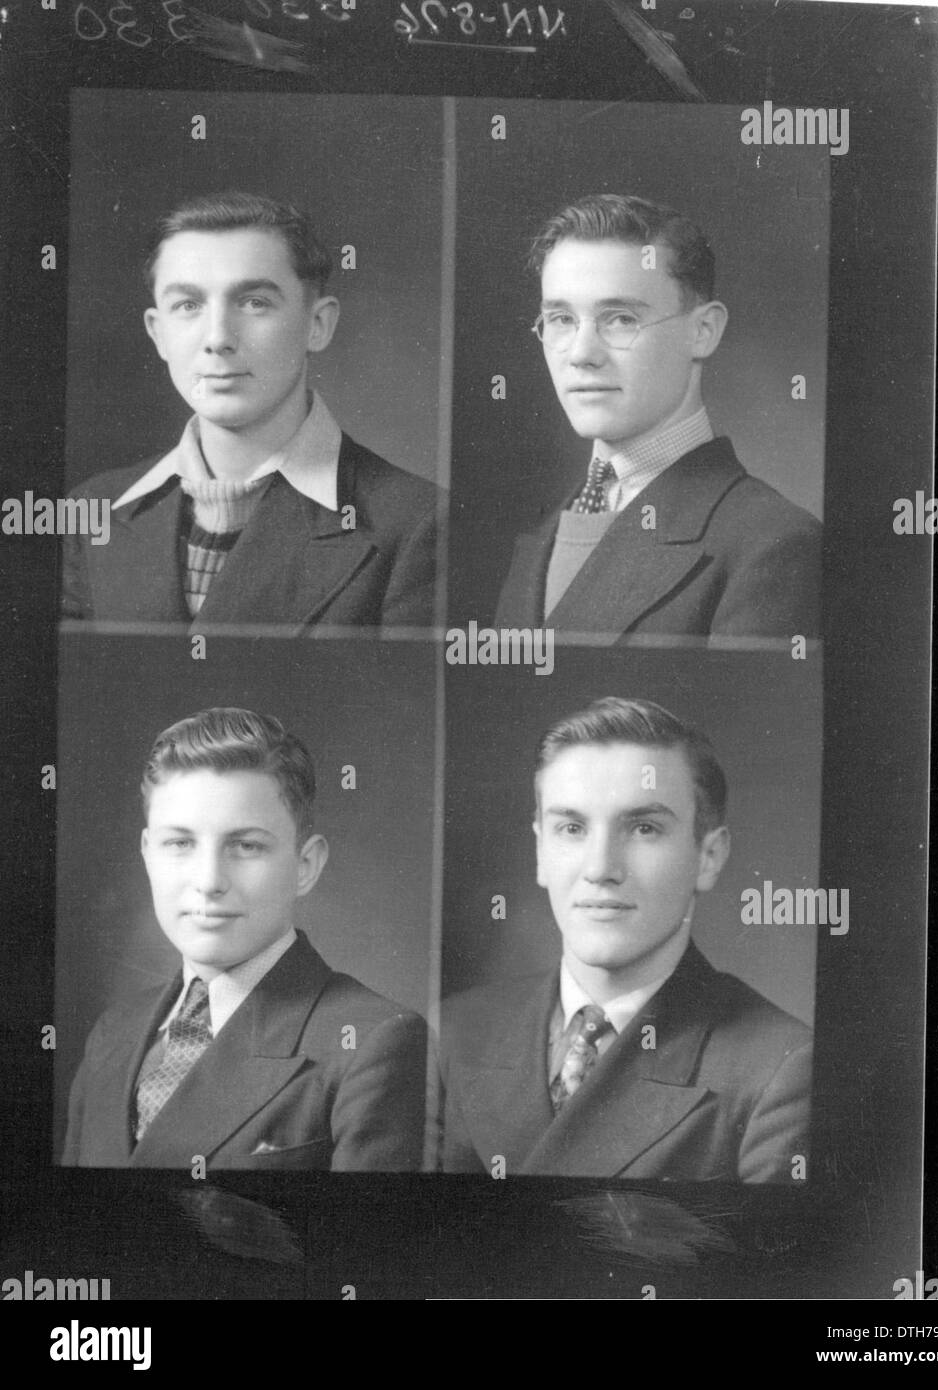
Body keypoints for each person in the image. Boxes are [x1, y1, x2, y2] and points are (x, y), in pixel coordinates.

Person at [439, 697, 811, 1181]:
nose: (600, 869)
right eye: (571, 827)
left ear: (709, 856)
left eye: (643, 828)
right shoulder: (453, 1030)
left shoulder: (779, 1069)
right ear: (540, 852)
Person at [62, 707, 428, 1170]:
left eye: (246, 845)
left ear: (305, 866)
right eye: (180, 843)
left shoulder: (376, 1043)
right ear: (148, 854)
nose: (209, 880)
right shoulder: (113, 1032)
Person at [62, 192, 439, 633]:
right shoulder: (89, 510)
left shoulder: (419, 521)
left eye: (254, 302)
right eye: (188, 305)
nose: (218, 338)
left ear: (317, 325)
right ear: (158, 333)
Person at [493, 195, 821, 642]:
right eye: (561, 319)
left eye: (621, 319)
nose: (581, 354)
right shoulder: (538, 541)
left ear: (703, 331)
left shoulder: (774, 543)